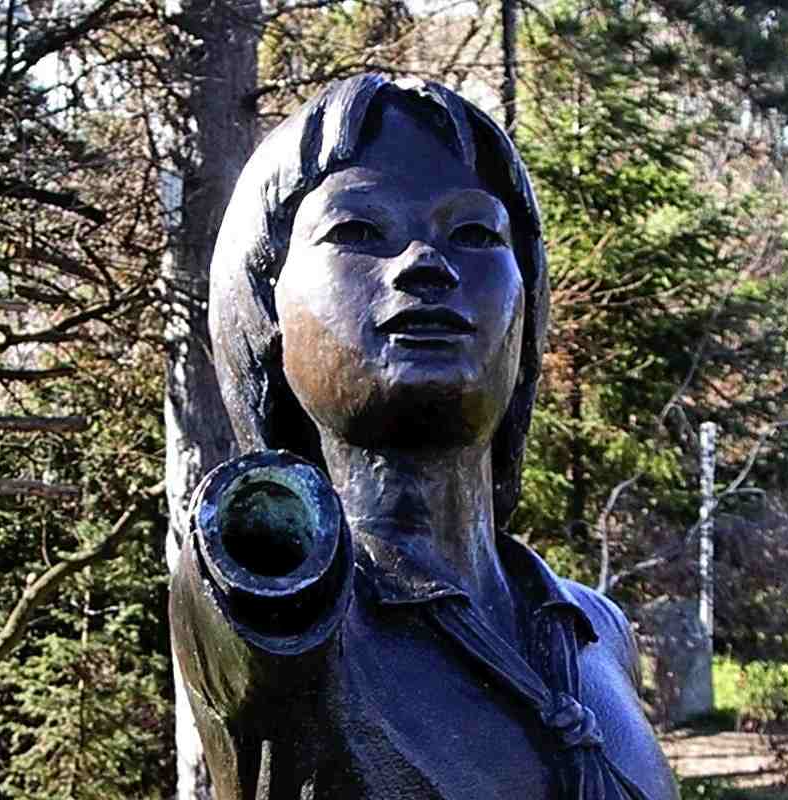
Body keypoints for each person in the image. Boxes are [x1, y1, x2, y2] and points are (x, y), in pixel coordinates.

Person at [169, 73, 677, 800]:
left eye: (473, 234)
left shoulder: (594, 630)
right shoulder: (280, 602)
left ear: (527, 311)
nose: (424, 264)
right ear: (263, 306)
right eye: (356, 232)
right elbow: (249, 584)